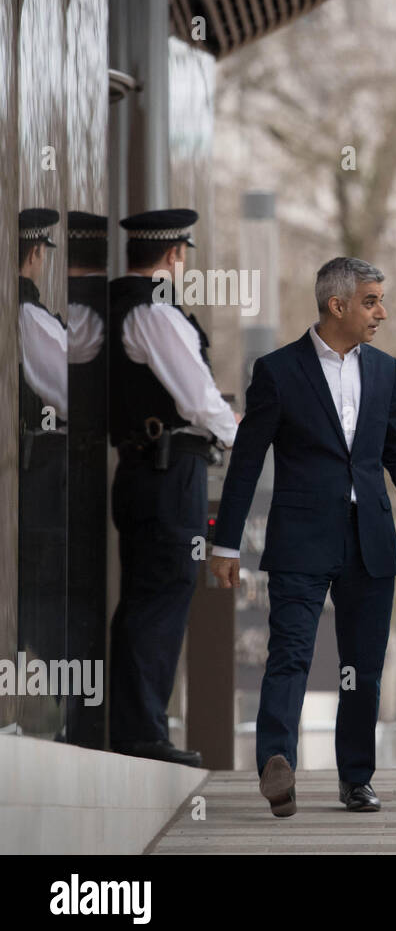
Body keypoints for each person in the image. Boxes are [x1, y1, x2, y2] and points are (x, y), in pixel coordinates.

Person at [210, 257, 396, 817]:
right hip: (302, 539)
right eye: (371, 301)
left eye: (381, 300)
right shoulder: (278, 371)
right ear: (336, 305)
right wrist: (225, 543)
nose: (381, 312)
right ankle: (277, 768)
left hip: (372, 539)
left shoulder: (385, 370)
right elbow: (246, 460)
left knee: (363, 666)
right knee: (289, 654)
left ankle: (355, 779)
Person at [107, 209, 237, 766]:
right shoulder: (157, 314)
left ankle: (140, 727)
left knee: (147, 596)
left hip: (142, 468)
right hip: (168, 471)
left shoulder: (115, 305)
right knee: (162, 594)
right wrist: (244, 441)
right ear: (175, 255)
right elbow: (199, 400)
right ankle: (142, 734)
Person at [17, 209, 68, 728]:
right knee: (47, 601)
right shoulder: (29, 317)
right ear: (35, 254)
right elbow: (72, 393)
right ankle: (75, 717)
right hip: (39, 483)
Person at [66, 211, 110, 749]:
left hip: (79, 469)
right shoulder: (90, 313)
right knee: (79, 601)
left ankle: (84, 720)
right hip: (73, 470)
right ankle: (83, 723)